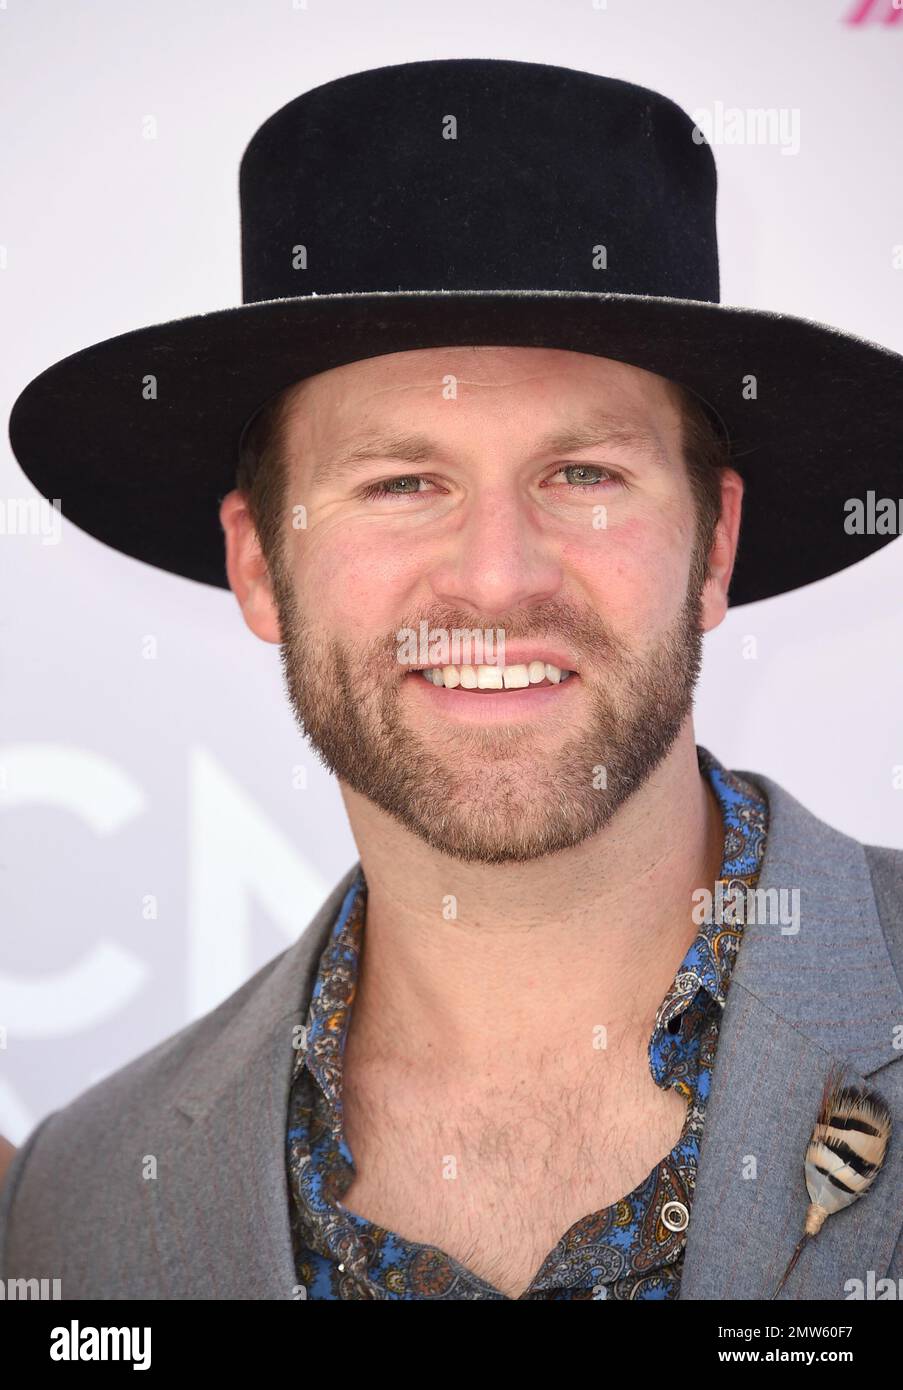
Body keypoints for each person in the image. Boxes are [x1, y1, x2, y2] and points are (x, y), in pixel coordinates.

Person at [2, 58, 901, 1301]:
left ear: (715, 545)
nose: (495, 577)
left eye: (582, 472)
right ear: (260, 564)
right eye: (401, 483)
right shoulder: (80, 1210)